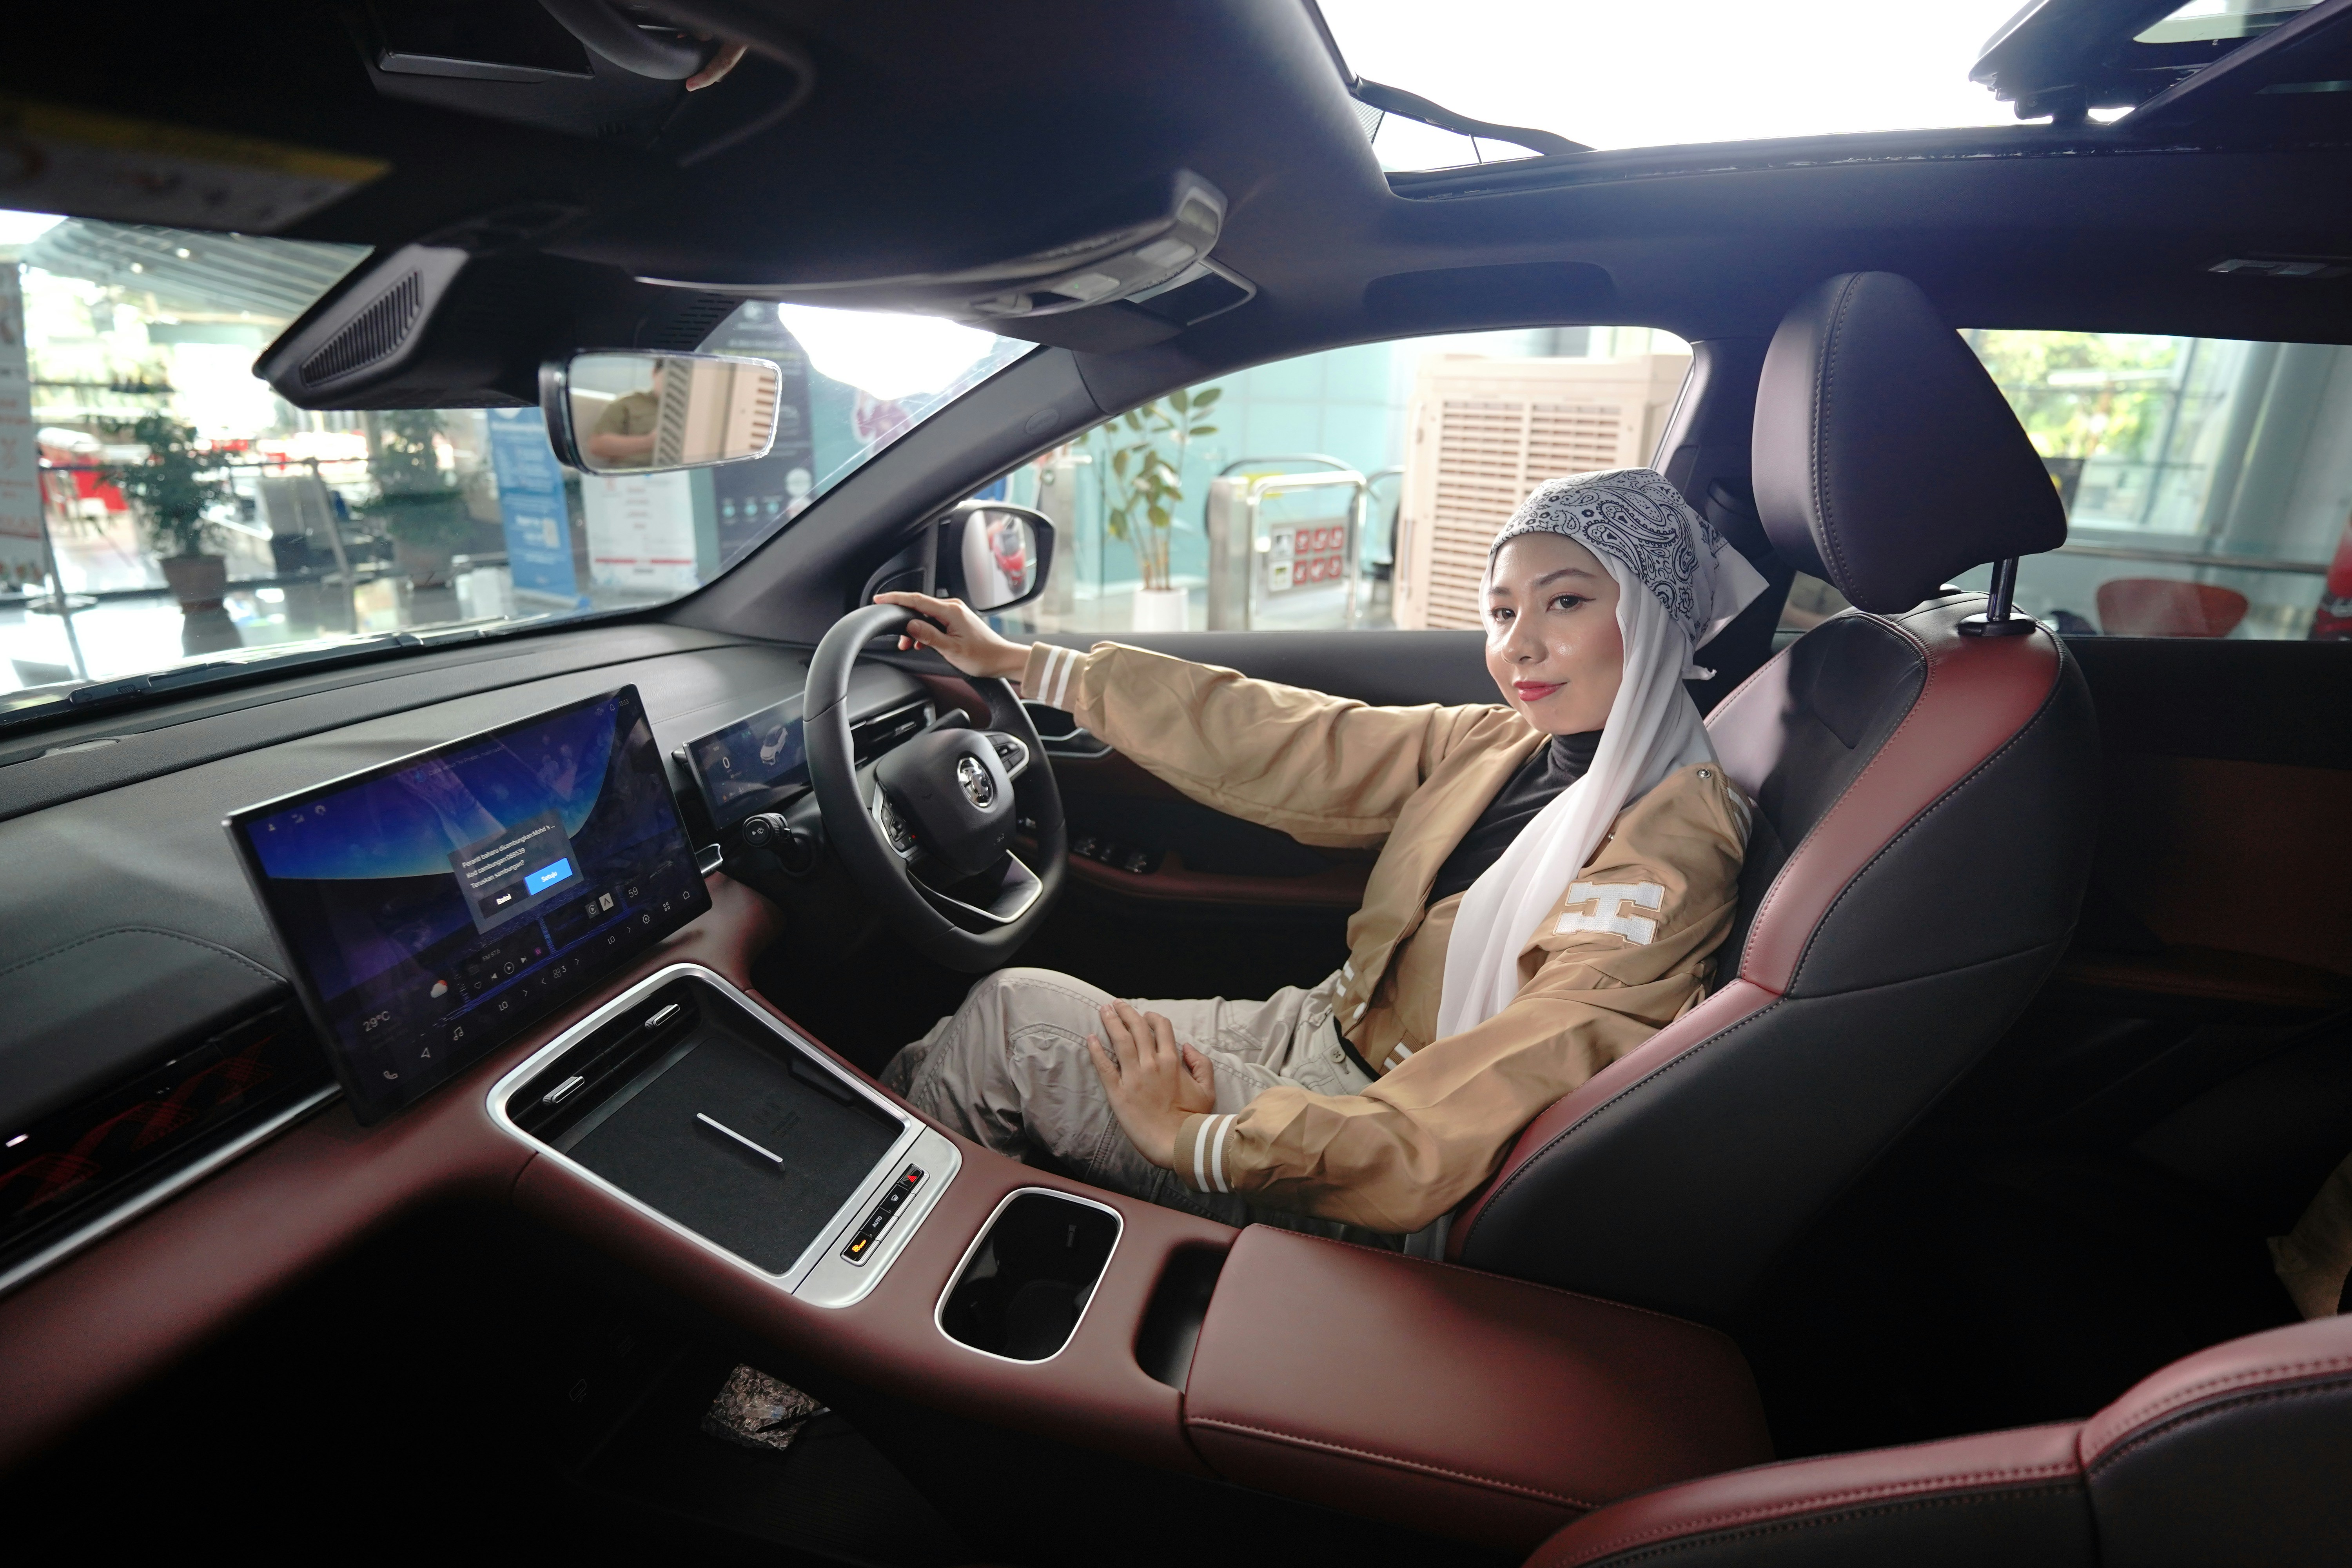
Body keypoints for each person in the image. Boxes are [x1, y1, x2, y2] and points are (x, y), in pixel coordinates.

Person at [877, 467, 1768, 1240]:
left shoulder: (1669, 846)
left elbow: (1522, 1069)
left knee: (1009, 1027)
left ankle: (811, 1366)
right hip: (1320, 1030)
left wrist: (1202, 1138)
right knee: (955, 1043)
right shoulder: (1508, 744)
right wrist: (1028, 665)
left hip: (1376, 1142)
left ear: (1653, 614)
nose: (1518, 644)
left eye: (1566, 601)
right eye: (1501, 611)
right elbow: (1296, 738)